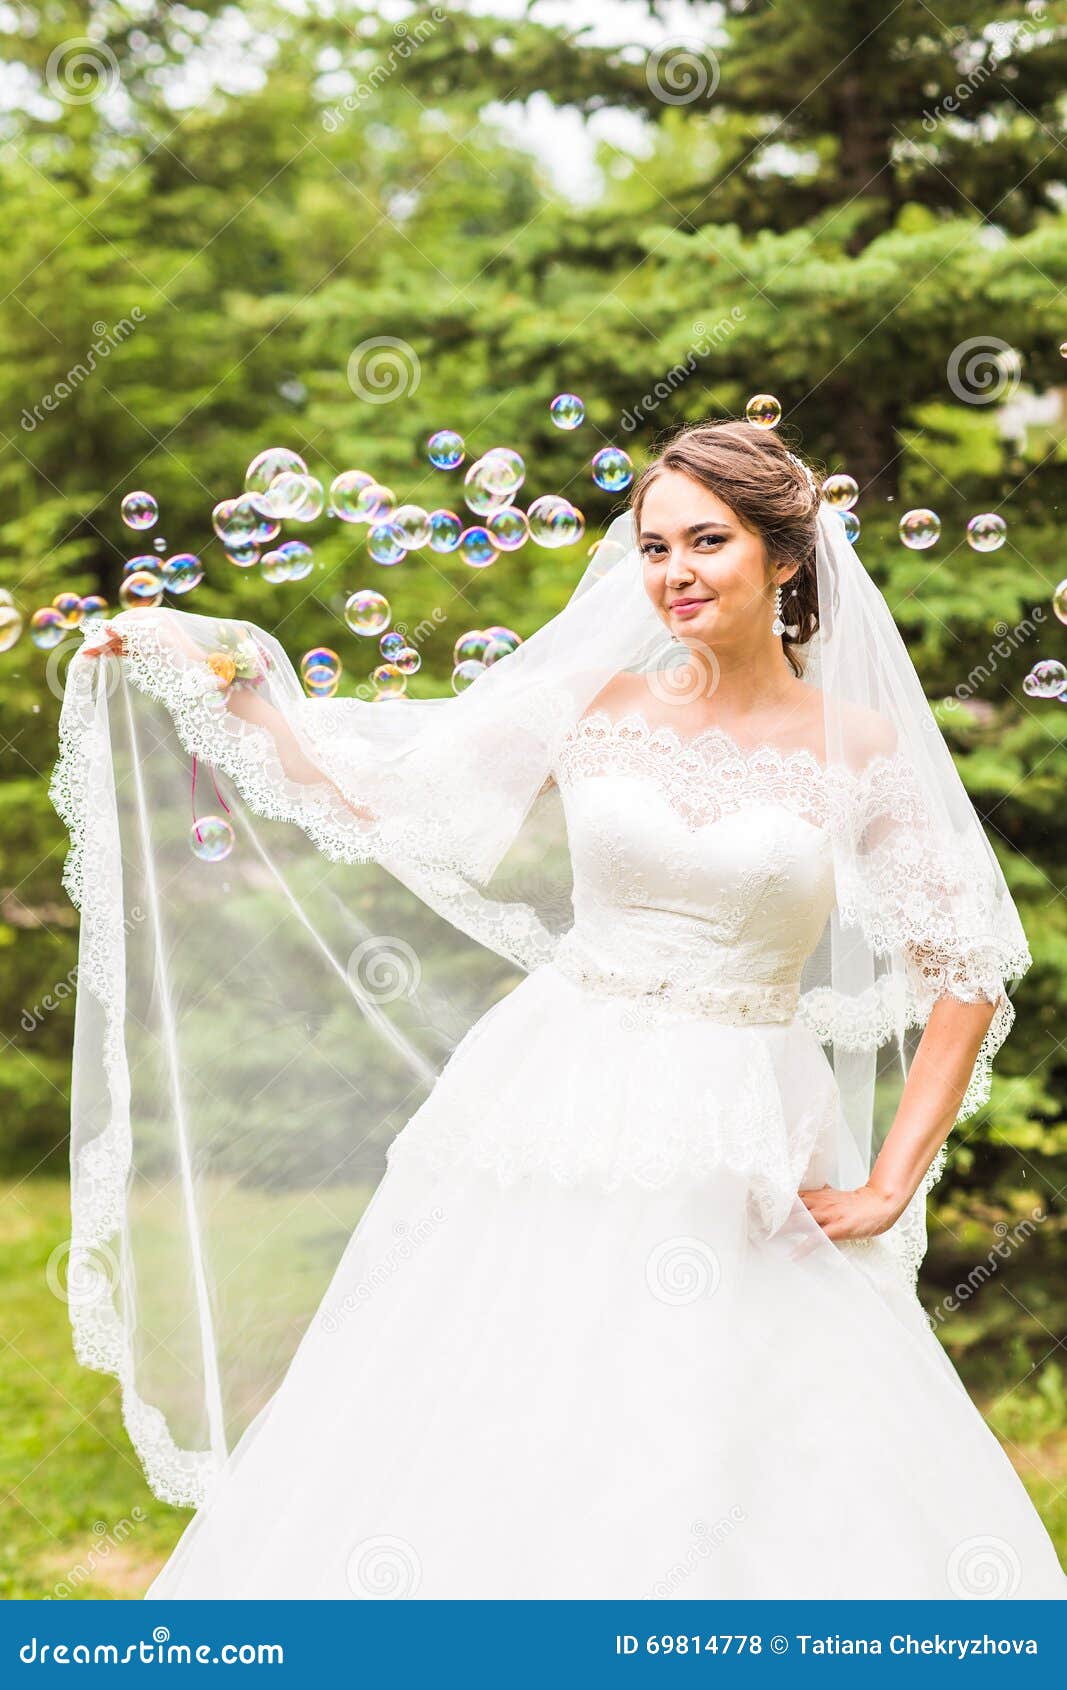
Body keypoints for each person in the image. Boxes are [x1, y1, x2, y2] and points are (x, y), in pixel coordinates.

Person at [56, 420, 1066, 1599]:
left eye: (708, 540)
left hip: (742, 1118)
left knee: (722, 1408)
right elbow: (381, 781)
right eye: (652, 546)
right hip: (555, 1090)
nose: (674, 571)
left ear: (784, 557)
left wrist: (894, 1176)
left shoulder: (858, 746)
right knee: (501, 1380)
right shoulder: (587, 700)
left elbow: (968, 965)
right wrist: (222, 666)